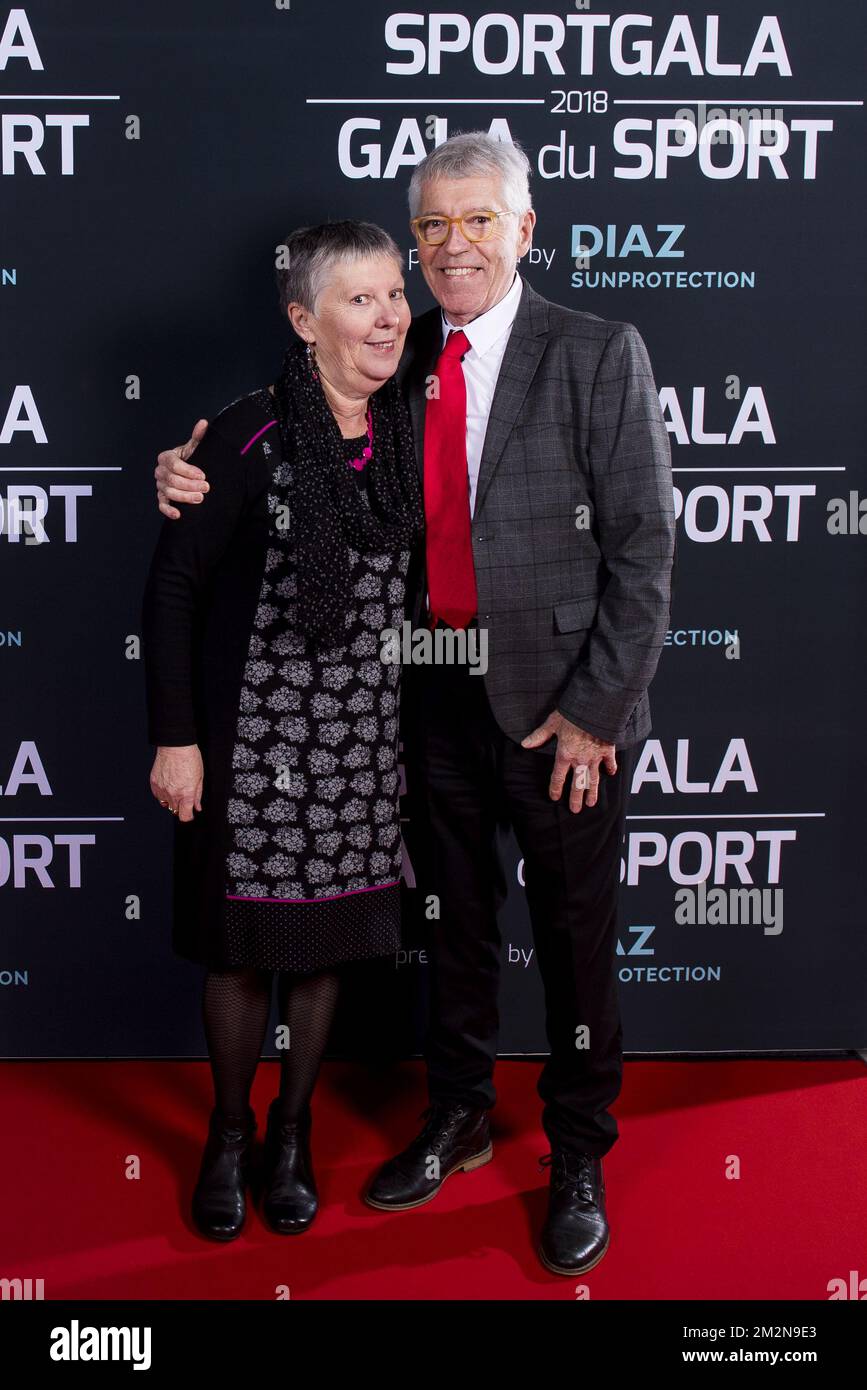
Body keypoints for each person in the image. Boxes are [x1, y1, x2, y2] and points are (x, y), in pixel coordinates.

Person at [153, 133, 676, 1276]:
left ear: (525, 229)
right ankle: (461, 1113)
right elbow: (300, 418)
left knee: (577, 942)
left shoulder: (598, 352)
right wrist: (189, 463)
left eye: (478, 219)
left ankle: (578, 1152)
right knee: (457, 932)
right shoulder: (403, 348)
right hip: (427, 700)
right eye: (432, 225)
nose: (453, 246)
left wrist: (597, 711)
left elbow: (645, 548)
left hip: (562, 714)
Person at [142, 220, 424, 1242]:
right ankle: (230, 1134)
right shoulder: (245, 436)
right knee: (238, 957)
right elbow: (173, 592)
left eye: (394, 294)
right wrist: (176, 738)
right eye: (360, 299)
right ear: (304, 321)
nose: (388, 317)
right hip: (252, 744)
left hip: (363, 748)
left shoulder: (411, 428)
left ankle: (291, 1133)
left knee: (322, 952)